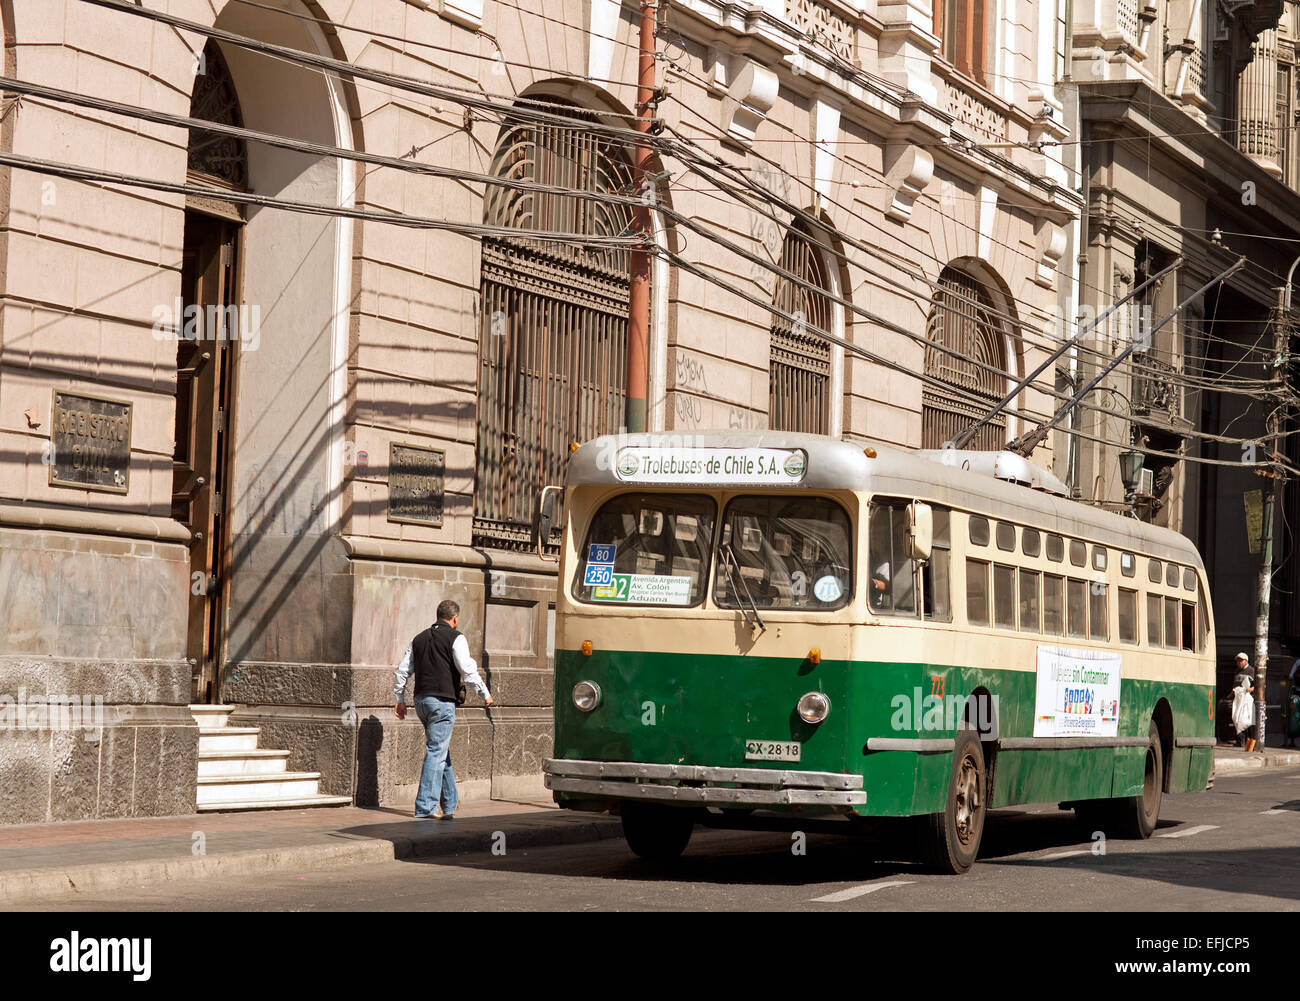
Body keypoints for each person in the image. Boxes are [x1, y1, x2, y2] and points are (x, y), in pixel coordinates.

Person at [393, 599, 492, 819]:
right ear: (455, 618)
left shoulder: (418, 638)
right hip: (442, 702)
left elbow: (402, 670)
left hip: (421, 701)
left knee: (440, 750)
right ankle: (425, 806)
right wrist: (484, 693)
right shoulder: (456, 637)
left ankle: (449, 803)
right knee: (436, 752)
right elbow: (467, 669)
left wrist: (399, 698)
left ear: (438, 615)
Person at [1230, 668, 1257, 753]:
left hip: (1250, 700)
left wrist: (1251, 689)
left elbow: (1259, 684)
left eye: (1241, 661)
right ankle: (1243, 742)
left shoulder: (1252, 671)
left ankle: (1252, 744)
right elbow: (1235, 686)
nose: (1239, 663)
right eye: (1238, 661)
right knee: (1240, 719)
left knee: (1250, 722)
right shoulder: (1237, 671)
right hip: (1241, 699)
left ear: (1246, 661)